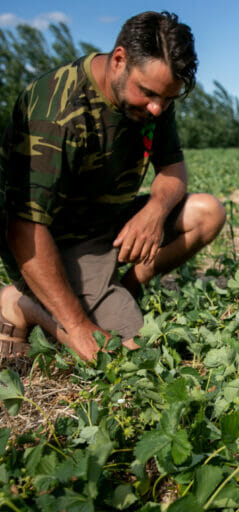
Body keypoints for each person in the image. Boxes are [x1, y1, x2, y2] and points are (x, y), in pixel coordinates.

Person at [0, 11, 226, 362]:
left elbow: (173, 168)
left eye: (167, 99)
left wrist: (155, 211)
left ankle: (120, 291)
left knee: (207, 213)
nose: (157, 108)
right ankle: (24, 303)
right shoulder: (56, 113)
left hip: (107, 223)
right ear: (119, 59)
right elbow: (24, 231)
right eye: (149, 94)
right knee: (125, 357)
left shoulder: (154, 97)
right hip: (56, 242)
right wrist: (77, 326)